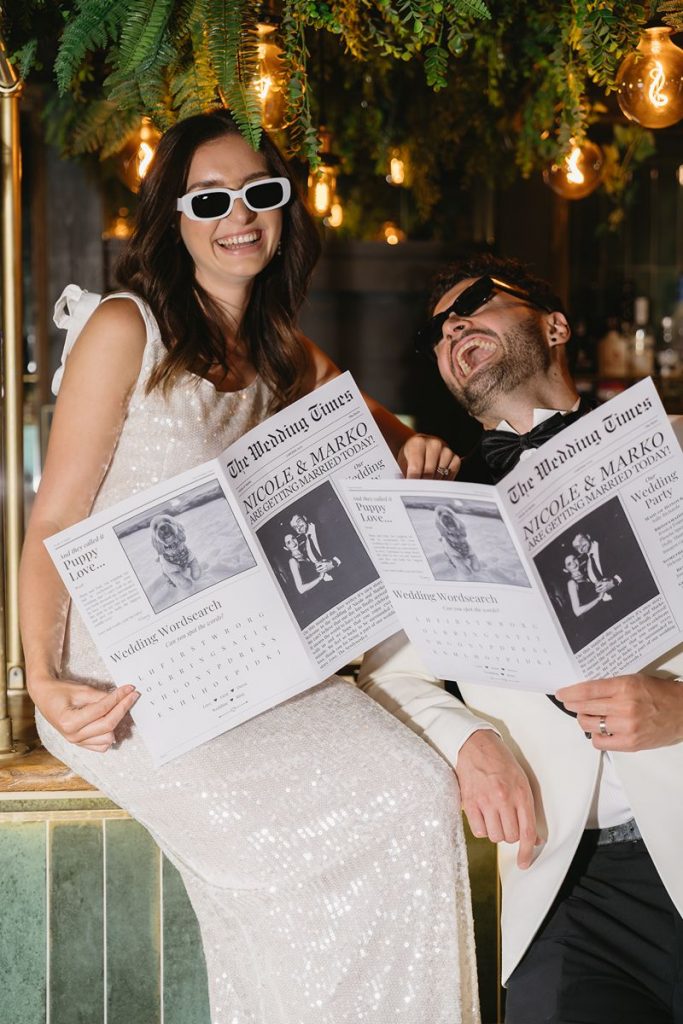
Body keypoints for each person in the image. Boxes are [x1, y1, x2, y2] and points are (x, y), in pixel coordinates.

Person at [19, 109, 478, 1023]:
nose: (241, 215)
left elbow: (378, 426)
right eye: (212, 198)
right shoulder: (125, 326)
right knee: (295, 871)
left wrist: (418, 445)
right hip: (123, 681)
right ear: (174, 216)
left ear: (284, 213)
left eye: (261, 195)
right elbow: (54, 520)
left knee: (417, 791)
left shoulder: (280, 351)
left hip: (247, 661)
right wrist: (43, 679)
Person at [359, 254, 683, 1024]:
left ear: (555, 324)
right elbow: (387, 680)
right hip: (567, 894)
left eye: (473, 304)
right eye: (436, 333)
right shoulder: (436, 509)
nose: (453, 329)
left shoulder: (673, 448)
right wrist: (469, 741)